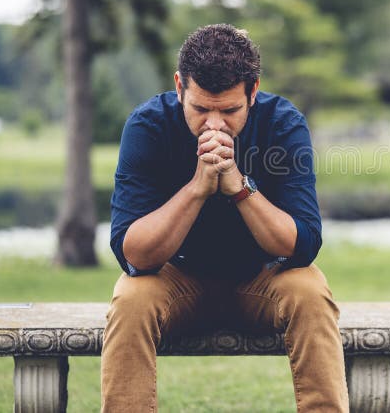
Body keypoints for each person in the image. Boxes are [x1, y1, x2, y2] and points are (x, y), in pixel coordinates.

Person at [101, 24, 349, 412]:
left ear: (253, 91)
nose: (214, 125)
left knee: (310, 290)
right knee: (131, 298)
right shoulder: (148, 125)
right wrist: (198, 188)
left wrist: (238, 187)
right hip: (177, 279)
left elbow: (302, 245)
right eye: (200, 109)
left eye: (230, 111)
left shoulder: (282, 123)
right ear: (180, 86)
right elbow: (133, 255)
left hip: (262, 279)